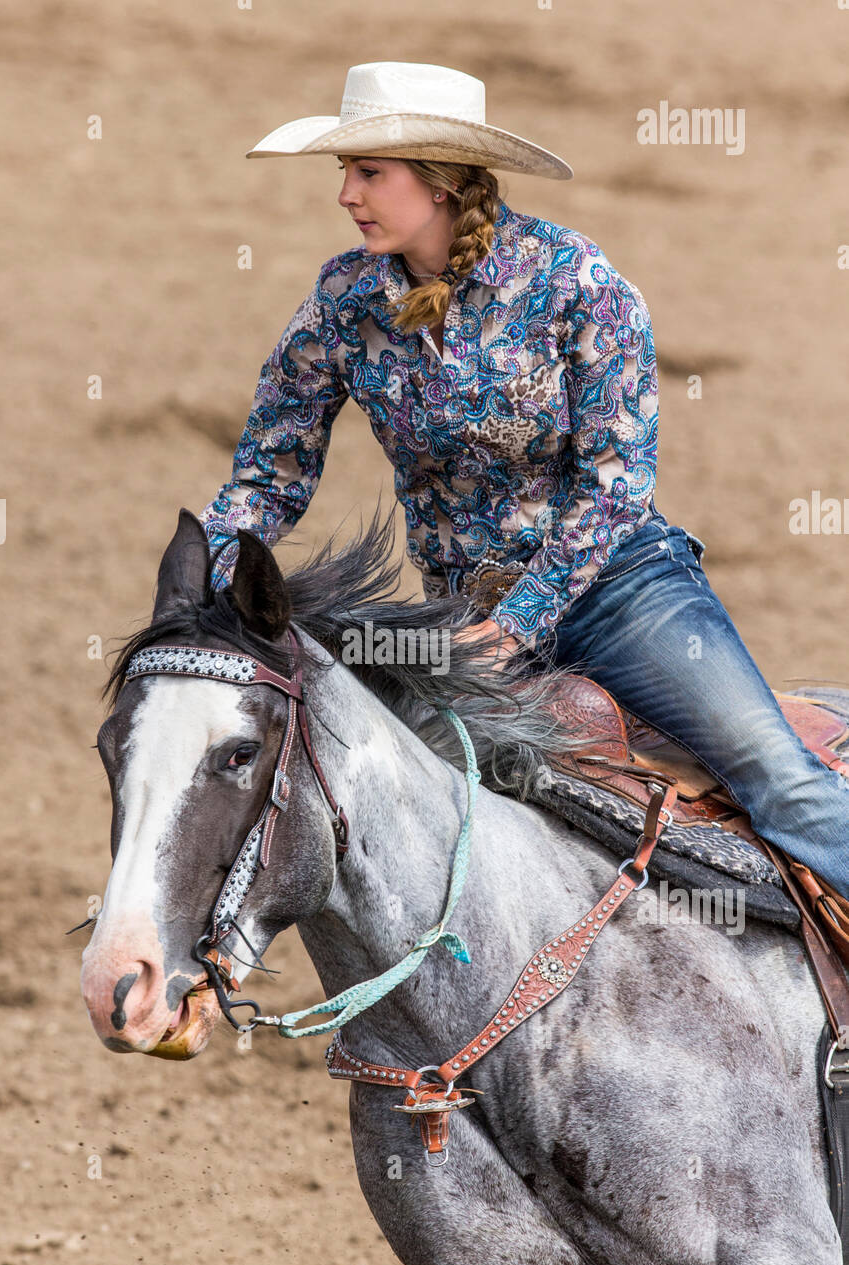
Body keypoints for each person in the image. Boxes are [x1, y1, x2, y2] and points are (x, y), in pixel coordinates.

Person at [199, 60, 849, 909]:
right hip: (458, 617)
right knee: (393, 813)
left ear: (437, 183)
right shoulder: (342, 301)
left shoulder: (575, 283)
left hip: (620, 592)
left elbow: (614, 485)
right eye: (344, 173)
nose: (345, 194)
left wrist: (516, 626)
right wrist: (203, 578)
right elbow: (270, 474)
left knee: (774, 774)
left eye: (368, 173)